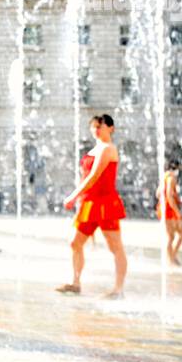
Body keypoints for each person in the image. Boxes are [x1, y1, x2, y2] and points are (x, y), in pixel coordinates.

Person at [57, 114, 127, 298]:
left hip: (105, 203)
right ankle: (75, 282)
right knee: (75, 242)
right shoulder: (94, 150)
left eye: (100, 126)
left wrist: (73, 196)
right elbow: (84, 176)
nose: (96, 129)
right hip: (88, 203)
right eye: (94, 126)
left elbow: (93, 176)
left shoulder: (108, 149)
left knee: (115, 246)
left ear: (111, 128)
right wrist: (80, 200)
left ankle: (118, 289)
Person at [157, 159, 182, 266]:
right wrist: (177, 210)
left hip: (165, 208)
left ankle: (172, 257)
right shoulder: (171, 177)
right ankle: (171, 259)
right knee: (172, 236)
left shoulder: (164, 177)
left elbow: (158, 194)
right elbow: (169, 194)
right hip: (169, 210)